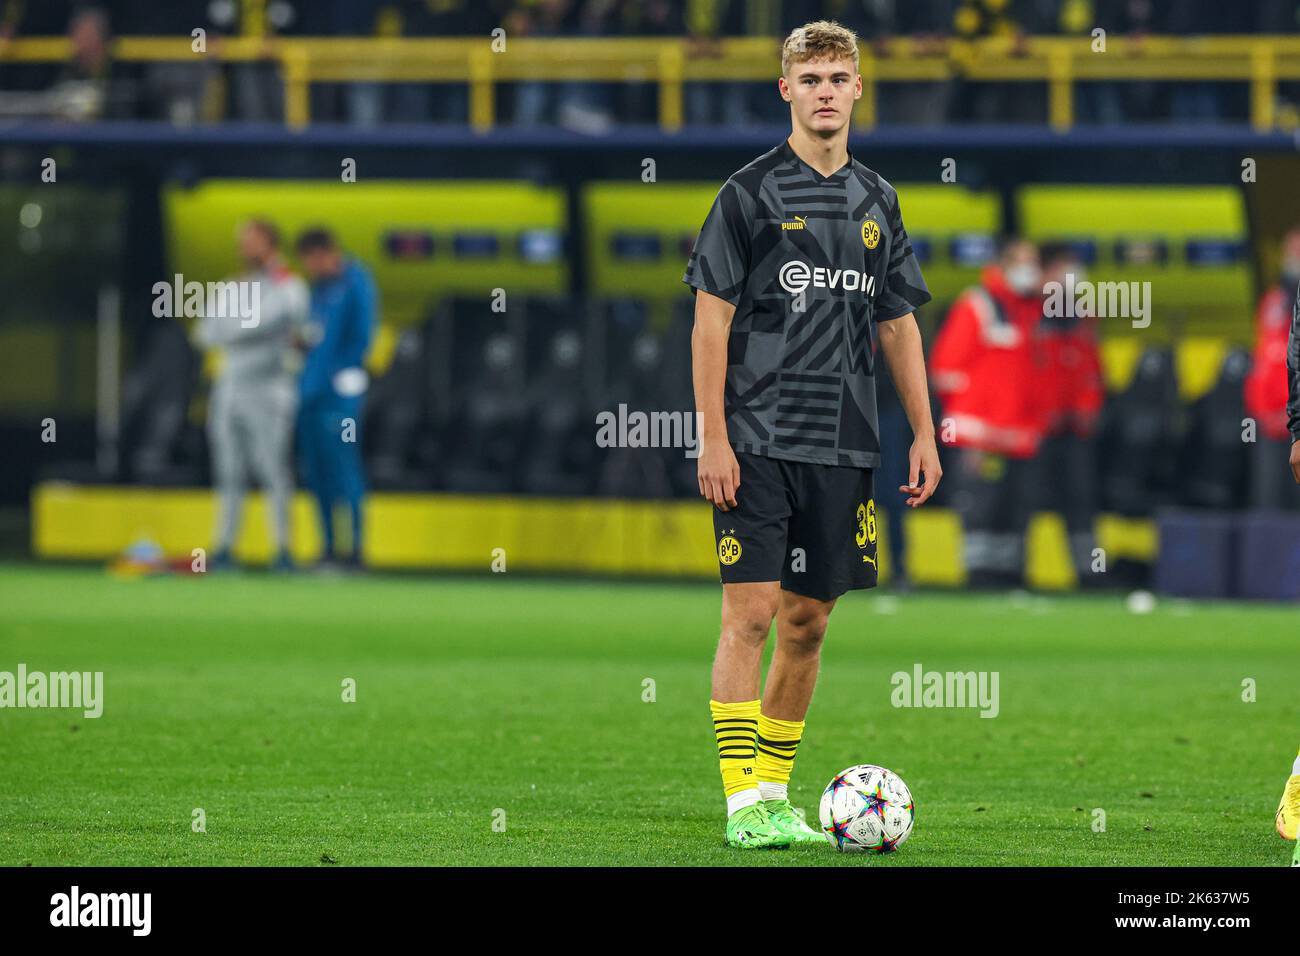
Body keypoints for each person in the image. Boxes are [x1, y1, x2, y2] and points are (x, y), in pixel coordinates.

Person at [686, 20, 939, 850]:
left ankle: (773, 793)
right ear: (785, 91)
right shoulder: (748, 192)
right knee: (750, 614)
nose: (826, 90)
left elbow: (898, 324)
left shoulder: (880, 201)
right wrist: (712, 438)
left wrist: (924, 433)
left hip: (844, 442)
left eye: (839, 77)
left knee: (809, 623)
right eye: (811, 78)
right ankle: (739, 804)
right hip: (756, 437)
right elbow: (709, 325)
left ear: (858, 89)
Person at [929, 238, 1044, 588]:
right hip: (978, 436)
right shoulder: (977, 305)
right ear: (1005, 264)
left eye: (1034, 262)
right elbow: (945, 369)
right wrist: (982, 411)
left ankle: (1009, 578)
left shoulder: (1028, 311)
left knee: (1014, 510)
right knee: (981, 508)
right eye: (1025, 262)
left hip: (1015, 438)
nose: (1032, 270)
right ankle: (980, 579)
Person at [196, 219, 308, 571]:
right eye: (242, 241)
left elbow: (272, 321)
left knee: (272, 469)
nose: (245, 248)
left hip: (270, 389)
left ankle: (283, 550)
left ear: (271, 243)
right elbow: (204, 332)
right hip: (229, 389)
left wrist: (234, 328)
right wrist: (239, 329)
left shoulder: (289, 286)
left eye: (252, 241)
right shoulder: (233, 286)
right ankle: (225, 547)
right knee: (228, 470)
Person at [295, 228, 377, 570]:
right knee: (317, 472)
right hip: (310, 394)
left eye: (312, 260)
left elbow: (361, 337)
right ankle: (328, 548)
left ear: (327, 252)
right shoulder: (317, 289)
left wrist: (340, 376)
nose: (310, 268)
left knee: (345, 467)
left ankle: (356, 551)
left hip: (342, 397)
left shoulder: (357, 282)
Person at [1036, 243, 1104, 585]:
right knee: (1026, 502)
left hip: (1075, 430)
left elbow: (1091, 370)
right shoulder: (1028, 314)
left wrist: (1087, 408)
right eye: (1064, 270)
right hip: (1035, 430)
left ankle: (1088, 573)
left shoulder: (1082, 317)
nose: (1071, 279)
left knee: (1081, 503)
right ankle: (1011, 572)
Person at [1245, 227, 1300, 507]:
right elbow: (1263, 363)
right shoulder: (1273, 302)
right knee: (1267, 502)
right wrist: (1263, 411)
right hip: (1269, 424)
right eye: (1290, 251)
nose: (1294, 258)